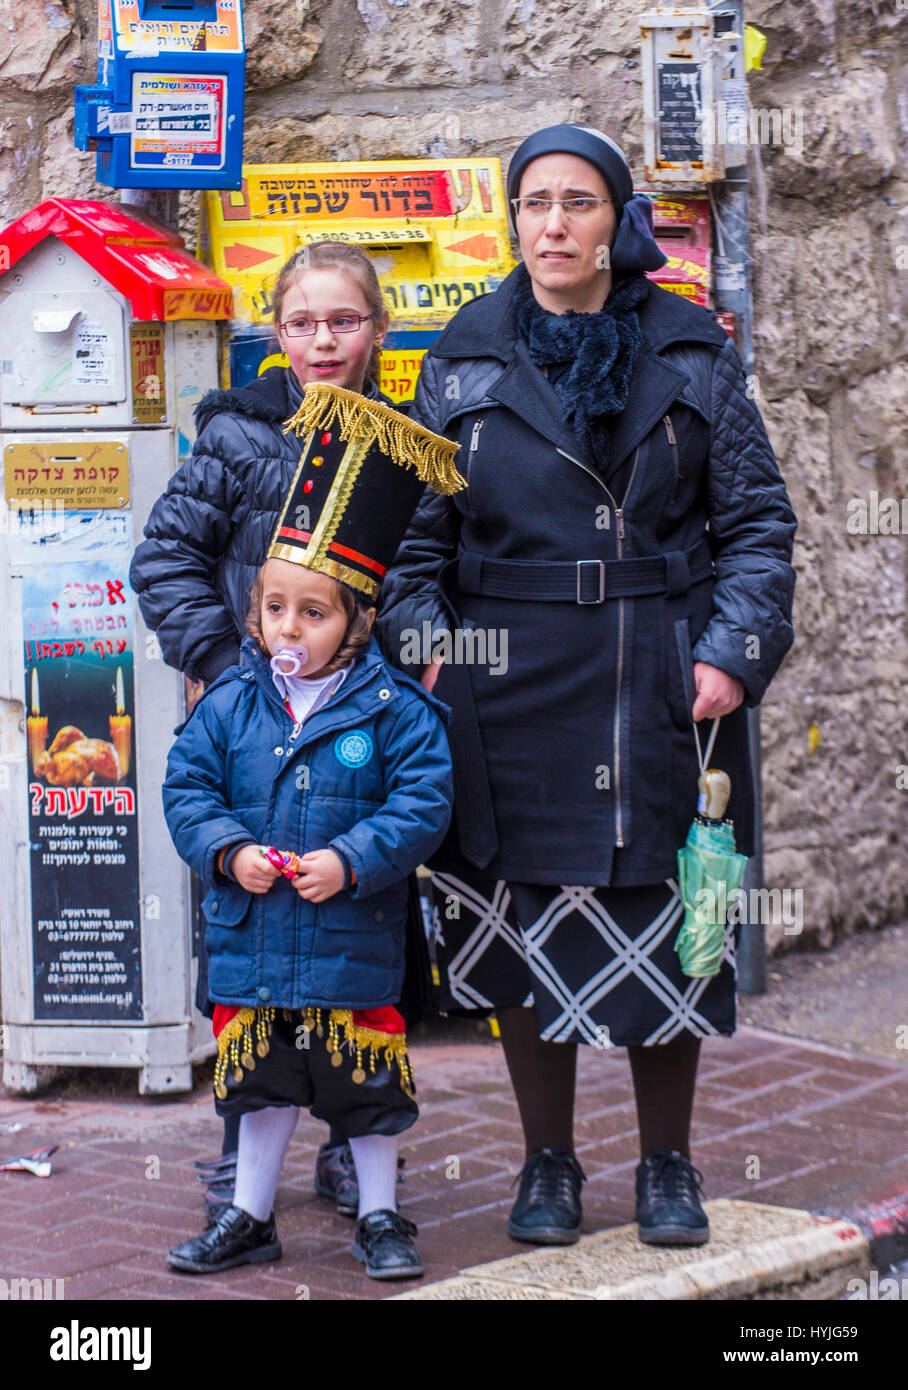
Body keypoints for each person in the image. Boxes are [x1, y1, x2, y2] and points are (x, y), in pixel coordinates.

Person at [377, 124, 797, 1248]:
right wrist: (426, 651)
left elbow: (755, 525)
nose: (551, 224)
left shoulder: (692, 351)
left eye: (575, 203)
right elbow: (409, 551)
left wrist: (728, 652)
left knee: (670, 923)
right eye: (532, 204)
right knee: (524, 927)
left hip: (653, 675)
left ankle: (667, 1166)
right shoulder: (461, 358)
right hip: (504, 688)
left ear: (618, 222)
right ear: (512, 221)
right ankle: (546, 1165)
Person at [160, 383, 462, 1278]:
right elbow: (188, 788)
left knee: (365, 1086)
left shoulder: (397, 710)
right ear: (254, 612)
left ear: (359, 622)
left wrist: (350, 860)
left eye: (316, 611)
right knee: (256, 1082)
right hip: (253, 936)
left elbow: (421, 805)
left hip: (349, 937)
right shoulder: (228, 704)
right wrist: (226, 850)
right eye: (276, 607)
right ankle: (250, 1213)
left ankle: (379, 1216)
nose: (291, 625)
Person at [129, 242, 394, 1217]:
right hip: (253, 737)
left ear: (377, 329)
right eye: (302, 323)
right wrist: (215, 664)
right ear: (274, 334)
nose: (323, 341)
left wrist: (416, 655)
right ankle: (244, 1148)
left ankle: (348, 1135)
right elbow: (164, 560)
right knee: (251, 937)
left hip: (357, 737)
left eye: (343, 321)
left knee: (353, 938)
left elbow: (426, 573)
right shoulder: (239, 440)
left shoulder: (402, 442)